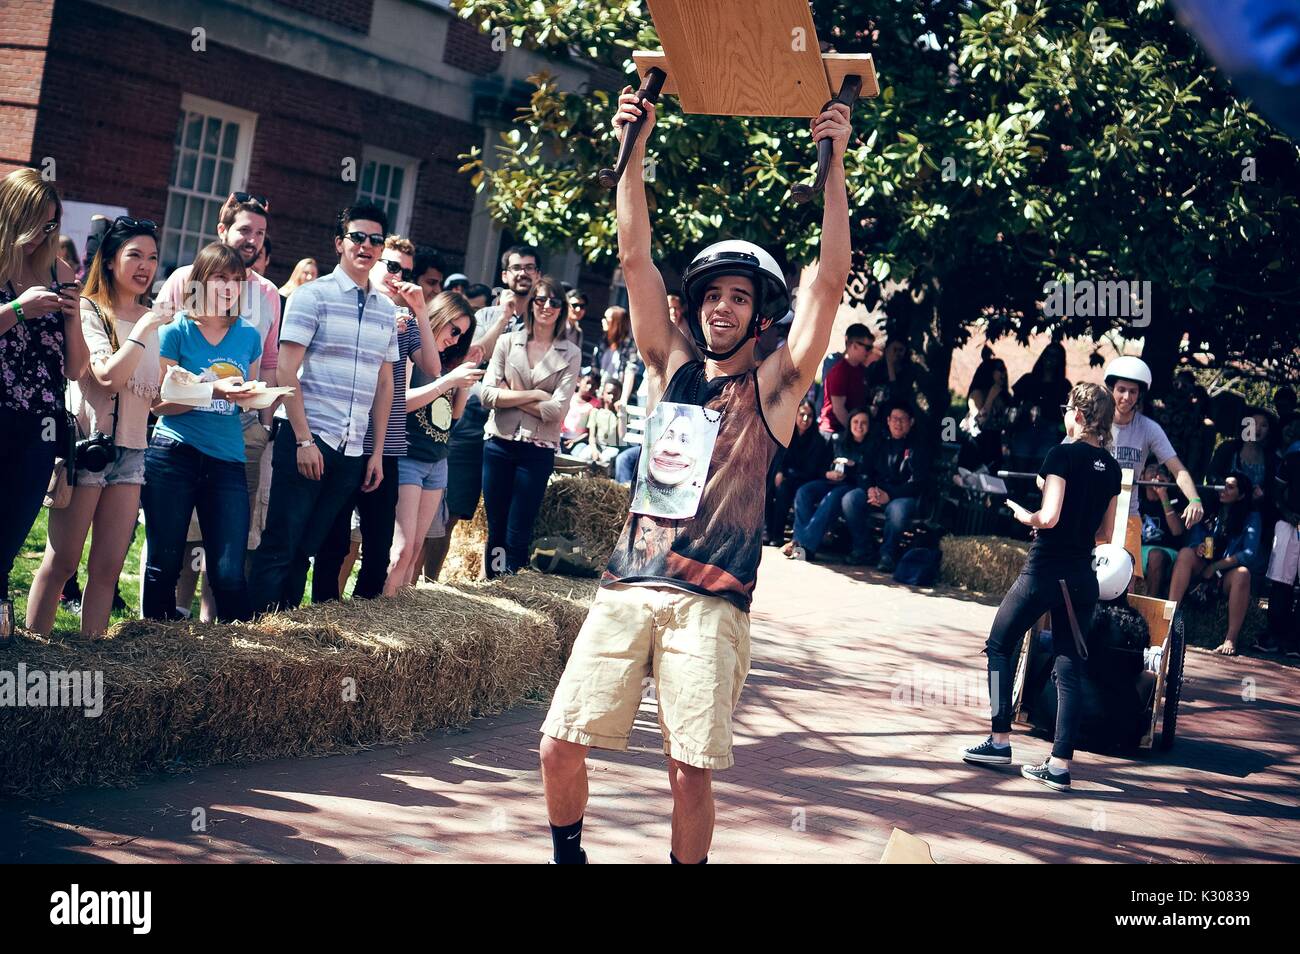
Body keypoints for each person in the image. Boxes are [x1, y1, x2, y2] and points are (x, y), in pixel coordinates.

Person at [538, 89, 851, 863]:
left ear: (759, 314)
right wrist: (634, 146)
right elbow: (634, 256)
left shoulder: (775, 391)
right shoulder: (668, 365)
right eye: (712, 295)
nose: (721, 308)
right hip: (629, 584)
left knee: (687, 772)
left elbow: (830, 284)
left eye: (738, 298)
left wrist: (836, 164)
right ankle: (567, 854)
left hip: (712, 602)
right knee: (557, 746)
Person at [962, 383, 1121, 792]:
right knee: (1069, 669)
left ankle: (999, 739)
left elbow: (1048, 518)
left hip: (1045, 571)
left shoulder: (1061, 454)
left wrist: (1024, 515)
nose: (1066, 415)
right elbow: (1105, 532)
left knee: (999, 646)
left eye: (1069, 409)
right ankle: (1060, 765)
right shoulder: (1111, 466)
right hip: (1082, 578)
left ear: (1080, 416)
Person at [247, 203, 397, 613]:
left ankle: (286, 640)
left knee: (304, 553)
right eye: (358, 238)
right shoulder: (312, 296)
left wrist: (376, 452)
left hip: (352, 450)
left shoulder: (387, 310)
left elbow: (385, 385)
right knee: (280, 544)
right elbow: (287, 373)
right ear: (340, 244)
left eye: (375, 240)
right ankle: (248, 642)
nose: (366, 246)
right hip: (308, 440)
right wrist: (303, 440)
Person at [25, 216, 162, 637]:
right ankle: (33, 648)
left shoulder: (149, 319)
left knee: (108, 568)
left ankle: (90, 656)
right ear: (109, 261)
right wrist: (143, 328)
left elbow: (151, 396)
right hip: (88, 447)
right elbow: (107, 378)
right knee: (64, 561)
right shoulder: (89, 309)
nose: (145, 266)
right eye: (134, 255)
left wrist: (217, 394)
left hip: (133, 452)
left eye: (153, 257)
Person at [309, 235, 440, 603]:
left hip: (388, 446)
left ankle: (363, 623)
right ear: (377, 261)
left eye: (408, 271)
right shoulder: (351, 308)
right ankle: (322, 614)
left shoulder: (405, 318)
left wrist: (421, 310)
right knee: (333, 543)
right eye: (393, 266)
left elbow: (432, 366)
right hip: (343, 442)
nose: (400, 276)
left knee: (379, 549)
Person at [155, 193, 282, 569]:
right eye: (245, 229)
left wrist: (265, 424)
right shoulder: (185, 279)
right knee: (180, 536)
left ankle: (215, 624)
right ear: (222, 230)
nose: (253, 239)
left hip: (242, 428)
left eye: (260, 233)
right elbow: (162, 342)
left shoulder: (268, 293)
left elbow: (270, 361)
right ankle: (175, 611)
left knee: (230, 539)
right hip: (184, 424)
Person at [141, 243, 263, 622]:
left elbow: (247, 399)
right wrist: (213, 389)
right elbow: (159, 403)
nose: (229, 286)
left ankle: (242, 660)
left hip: (227, 459)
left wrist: (255, 397)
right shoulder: (176, 330)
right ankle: (155, 651)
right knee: (164, 562)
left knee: (228, 572)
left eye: (236, 279)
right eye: (220, 277)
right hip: (173, 453)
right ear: (199, 282)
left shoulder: (249, 336)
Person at [0, 170, 88, 644]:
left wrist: (72, 318)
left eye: (52, 224)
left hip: (40, 426)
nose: (44, 234)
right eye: (38, 222)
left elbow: (75, 369)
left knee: (9, 542)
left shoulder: (60, 271)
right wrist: (18, 310)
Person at [478, 276, 581, 577]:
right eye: (540, 300)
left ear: (561, 309)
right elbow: (486, 395)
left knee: (519, 527)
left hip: (537, 450)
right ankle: (493, 583)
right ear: (531, 303)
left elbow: (556, 411)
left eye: (554, 301)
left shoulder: (570, 353)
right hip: (499, 443)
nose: (547, 306)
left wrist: (509, 396)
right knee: (495, 526)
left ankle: (512, 584)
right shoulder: (508, 342)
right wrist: (536, 395)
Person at [385, 292, 480, 593]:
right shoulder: (414, 347)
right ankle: (380, 611)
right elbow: (398, 402)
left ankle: (397, 616)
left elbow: (454, 415)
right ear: (439, 316)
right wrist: (448, 382)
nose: (455, 339)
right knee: (400, 550)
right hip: (408, 455)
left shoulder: (446, 362)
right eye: (454, 330)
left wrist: (464, 378)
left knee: (414, 550)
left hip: (437, 459)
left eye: (461, 336)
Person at [1102, 356, 1206, 577]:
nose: (1127, 397)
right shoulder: (1097, 422)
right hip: (1094, 513)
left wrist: (1194, 499)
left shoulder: (1149, 428)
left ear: (1140, 395)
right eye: (1121, 389)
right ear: (1111, 389)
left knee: (1124, 583)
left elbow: (1177, 469)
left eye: (1133, 391)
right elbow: (1067, 455)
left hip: (1128, 516)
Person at [1167, 471, 1262, 656]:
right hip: (1203, 566)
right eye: (1222, 484)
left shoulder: (1252, 516)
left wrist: (1217, 566)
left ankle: (1230, 639)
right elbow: (1194, 538)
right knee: (1186, 554)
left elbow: (1249, 554)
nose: (1223, 489)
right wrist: (1198, 548)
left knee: (1243, 574)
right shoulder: (1210, 508)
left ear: (1241, 494)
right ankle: (1169, 619)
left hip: (1225, 573)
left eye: (1230, 487)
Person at [788, 408, 875, 562]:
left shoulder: (873, 445)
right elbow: (821, 466)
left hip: (852, 486)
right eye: (855, 422)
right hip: (831, 481)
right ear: (850, 423)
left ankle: (804, 547)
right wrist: (827, 474)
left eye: (864, 423)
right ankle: (798, 541)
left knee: (832, 497)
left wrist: (853, 466)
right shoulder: (839, 440)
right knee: (804, 491)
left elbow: (868, 475)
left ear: (869, 426)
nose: (859, 426)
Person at [766, 400, 830, 546]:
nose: (805, 419)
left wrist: (786, 474)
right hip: (787, 476)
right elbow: (779, 457)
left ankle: (777, 535)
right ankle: (767, 530)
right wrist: (780, 471)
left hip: (805, 481)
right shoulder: (787, 433)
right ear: (795, 415)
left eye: (809, 416)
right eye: (802, 415)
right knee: (768, 486)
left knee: (783, 489)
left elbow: (812, 470)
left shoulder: (818, 441)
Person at [1008, 341, 1071, 469]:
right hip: (1024, 429)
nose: (1050, 359)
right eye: (1048, 354)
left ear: (1060, 361)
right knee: (1020, 473)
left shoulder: (1064, 385)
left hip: (1050, 433)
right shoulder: (1027, 379)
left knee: (1040, 474)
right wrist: (1024, 409)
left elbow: (1065, 414)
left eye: (1055, 356)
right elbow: (1013, 405)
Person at [1137, 464, 1186, 598]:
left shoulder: (1176, 498)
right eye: (1151, 470)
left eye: (1161, 471)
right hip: (1138, 549)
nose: (1156, 475)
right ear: (1142, 476)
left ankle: (1149, 605)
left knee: (1156, 555)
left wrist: (1163, 495)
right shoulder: (1135, 499)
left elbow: (1177, 531)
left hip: (1167, 551)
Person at [818, 323, 872, 436]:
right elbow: (839, 410)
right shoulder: (840, 372)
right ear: (854, 346)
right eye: (867, 348)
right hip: (835, 431)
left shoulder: (861, 369)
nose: (869, 352)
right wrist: (855, 434)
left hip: (850, 430)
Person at [959, 352, 1010, 472]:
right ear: (990, 372)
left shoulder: (1004, 397)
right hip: (977, 445)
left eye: (1005, 370)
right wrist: (990, 398)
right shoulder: (977, 394)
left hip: (995, 445)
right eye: (1000, 369)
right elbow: (980, 421)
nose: (1004, 373)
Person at [596, 304, 641, 407]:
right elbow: (595, 369)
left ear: (616, 323)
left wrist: (623, 400)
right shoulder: (603, 341)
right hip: (599, 392)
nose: (603, 321)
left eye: (606, 318)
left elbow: (630, 372)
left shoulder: (630, 345)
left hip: (615, 397)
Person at [865, 336, 916, 418]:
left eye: (901, 350)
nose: (897, 353)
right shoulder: (875, 367)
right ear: (887, 350)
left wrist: (890, 366)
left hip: (893, 418)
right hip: (871, 415)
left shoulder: (907, 372)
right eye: (894, 349)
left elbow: (898, 397)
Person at [560, 370, 600, 453]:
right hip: (559, 436)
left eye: (593, 385)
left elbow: (590, 431)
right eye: (587, 383)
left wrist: (574, 441)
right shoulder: (569, 397)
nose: (589, 387)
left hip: (579, 442)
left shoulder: (595, 405)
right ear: (579, 381)